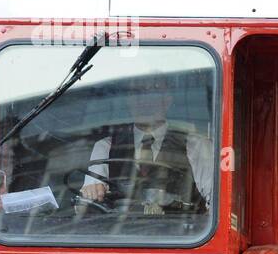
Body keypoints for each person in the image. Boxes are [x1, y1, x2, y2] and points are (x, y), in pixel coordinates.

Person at [81, 75, 213, 211]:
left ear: (167, 99)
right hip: (120, 230)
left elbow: (216, 204)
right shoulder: (105, 148)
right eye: (137, 92)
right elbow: (91, 197)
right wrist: (93, 191)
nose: (144, 98)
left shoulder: (196, 146)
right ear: (129, 100)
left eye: (154, 90)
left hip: (182, 231)